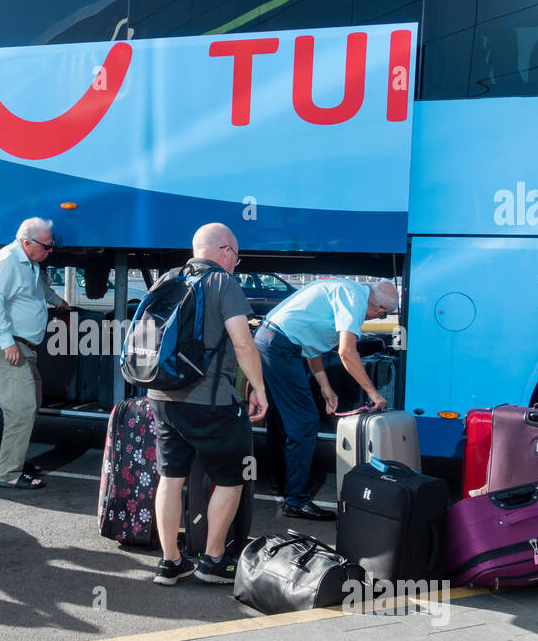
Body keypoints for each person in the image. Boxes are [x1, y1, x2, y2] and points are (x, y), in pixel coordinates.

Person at [148, 223, 267, 586]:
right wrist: (258, 388)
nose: (236, 262)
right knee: (231, 480)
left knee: (170, 479)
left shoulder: (166, 279)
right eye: (237, 256)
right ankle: (212, 560)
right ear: (226, 251)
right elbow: (244, 343)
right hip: (211, 403)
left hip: (162, 396)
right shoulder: (222, 283)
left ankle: (170, 562)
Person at [255, 278, 400, 520]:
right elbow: (346, 352)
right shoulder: (355, 301)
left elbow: (311, 347)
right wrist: (374, 393)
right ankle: (296, 501)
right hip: (279, 347)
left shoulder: (347, 291)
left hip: (272, 341)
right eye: (378, 316)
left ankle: (283, 484)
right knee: (305, 422)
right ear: (379, 310)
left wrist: (325, 387)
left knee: (282, 420)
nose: (371, 320)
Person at [0, 217, 69, 490]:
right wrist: (8, 343)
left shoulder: (30, 263)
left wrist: (59, 302)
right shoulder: (6, 260)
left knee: (31, 402)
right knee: (21, 408)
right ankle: (8, 473)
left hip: (23, 346)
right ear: (26, 242)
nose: (50, 251)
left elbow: (37, 291)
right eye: (46, 246)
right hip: (8, 345)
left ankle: (16, 460)